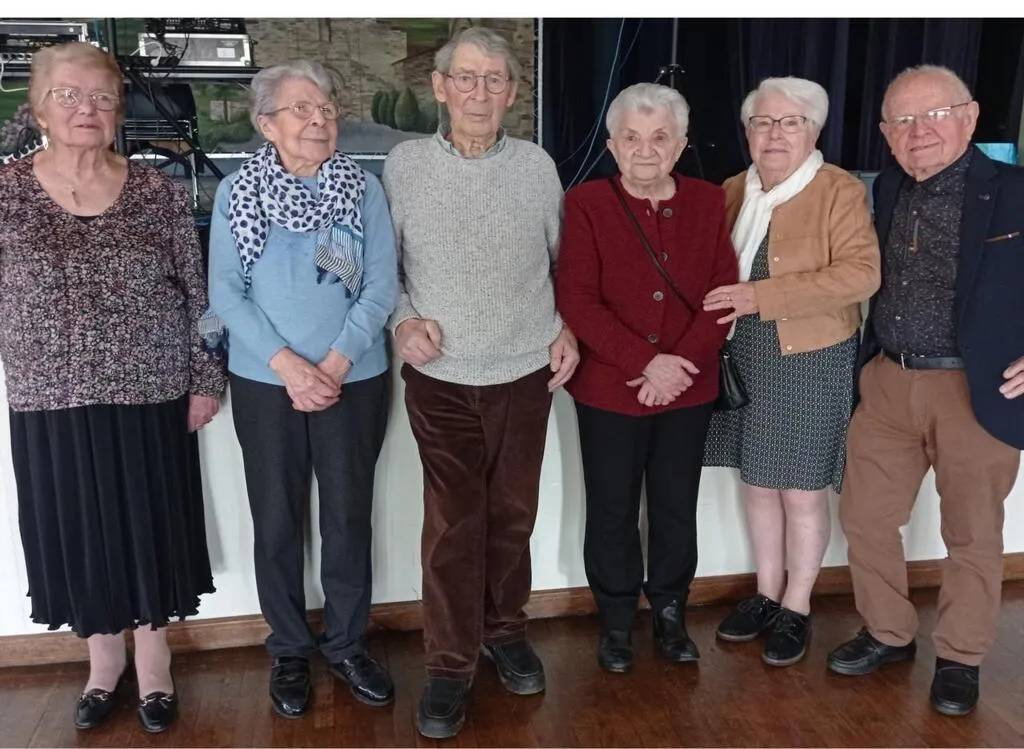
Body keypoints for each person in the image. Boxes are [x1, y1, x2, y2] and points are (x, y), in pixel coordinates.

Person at [0, 42, 226, 733]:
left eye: (100, 95)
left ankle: (154, 664)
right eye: (67, 94)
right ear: (38, 106)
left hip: (152, 391)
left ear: (118, 107)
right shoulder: (5, 189)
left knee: (149, 529)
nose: (85, 109)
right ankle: (103, 663)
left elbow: (199, 296)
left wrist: (206, 380)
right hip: (48, 394)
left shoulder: (155, 191)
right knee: (79, 532)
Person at [381, 26, 577, 740]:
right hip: (441, 378)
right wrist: (403, 321)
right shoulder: (403, 166)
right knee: (457, 522)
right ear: (439, 87)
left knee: (512, 514)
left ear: (513, 94)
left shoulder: (536, 166)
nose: (479, 92)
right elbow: (387, 271)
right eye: (465, 77)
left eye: (495, 79)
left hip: (526, 372)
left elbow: (566, 266)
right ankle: (449, 663)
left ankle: (505, 630)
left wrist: (567, 327)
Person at [826, 64, 1024, 717]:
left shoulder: (1015, 190)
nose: (919, 132)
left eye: (933, 115)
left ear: (968, 117)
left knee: (971, 532)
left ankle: (961, 657)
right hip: (888, 378)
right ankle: (887, 632)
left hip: (977, 387)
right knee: (865, 517)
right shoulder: (883, 189)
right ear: (885, 134)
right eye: (903, 121)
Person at [207, 60, 398, 719]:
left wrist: (336, 364)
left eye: (325, 108)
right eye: (300, 109)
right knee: (278, 519)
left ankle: (348, 644)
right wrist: (291, 365)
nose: (319, 119)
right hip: (266, 385)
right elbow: (225, 293)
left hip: (358, 378)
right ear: (267, 124)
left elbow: (380, 286)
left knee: (348, 517)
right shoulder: (238, 193)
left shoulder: (363, 189)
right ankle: (290, 648)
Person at [555, 83, 737, 674]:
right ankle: (614, 622)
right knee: (610, 510)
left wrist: (675, 369)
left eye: (659, 138)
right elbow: (577, 300)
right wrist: (645, 363)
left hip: (687, 389)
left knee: (674, 507)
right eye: (631, 138)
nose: (645, 150)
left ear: (680, 145)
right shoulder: (586, 203)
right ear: (612, 145)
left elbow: (721, 298)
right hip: (611, 389)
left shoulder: (710, 202)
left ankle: (668, 614)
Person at [702, 77, 880, 666]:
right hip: (743, 351)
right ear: (748, 130)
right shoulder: (732, 188)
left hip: (812, 357)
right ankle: (764, 594)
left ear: (814, 131)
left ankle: (797, 607)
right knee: (756, 482)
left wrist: (763, 297)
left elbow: (860, 276)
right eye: (763, 122)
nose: (775, 133)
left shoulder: (839, 190)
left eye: (790, 122)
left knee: (801, 491)